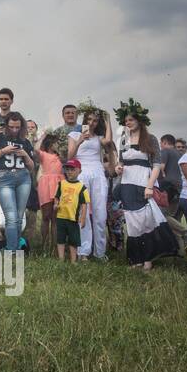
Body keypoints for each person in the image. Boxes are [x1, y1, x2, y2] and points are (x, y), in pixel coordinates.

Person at [114, 107, 178, 270]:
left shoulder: (150, 139)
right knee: (131, 220)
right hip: (126, 182)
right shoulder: (123, 139)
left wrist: (150, 186)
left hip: (143, 181)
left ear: (139, 121)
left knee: (145, 219)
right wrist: (118, 168)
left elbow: (156, 165)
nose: (127, 123)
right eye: (126, 121)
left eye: (131, 120)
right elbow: (120, 161)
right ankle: (136, 260)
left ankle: (148, 258)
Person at [0, 111, 35, 252]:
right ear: (6, 125)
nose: (15, 130)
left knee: (18, 216)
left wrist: (25, 155)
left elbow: (31, 167)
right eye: (11, 127)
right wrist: (3, 151)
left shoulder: (25, 141)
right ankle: (12, 250)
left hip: (23, 178)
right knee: (10, 217)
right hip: (4, 178)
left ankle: (15, 248)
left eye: (18, 127)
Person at [70, 109, 112, 261]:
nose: (91, 123)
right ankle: (83, 252)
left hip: (98, 173)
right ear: (84, 120)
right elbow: (69, 156)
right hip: (82, 172)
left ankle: (100, 253)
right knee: (84, 213)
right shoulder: (74, 135)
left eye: (95, 120)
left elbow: (108, 141)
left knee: (100, 214)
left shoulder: (99, 138)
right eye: (89, 120)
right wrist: (80, 140)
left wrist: (108, 120)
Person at [53, 158, 88, 262]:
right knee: (60, 239)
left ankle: (73, 261)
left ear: (79, 171)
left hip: (73, 218)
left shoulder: (81, 187)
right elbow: (57, 197)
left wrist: (83, 218)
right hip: (61, 217)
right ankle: (61, 259)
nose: (69, 172)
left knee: (73, 241)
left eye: (72, 169)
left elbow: (84, 204)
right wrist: (56, 204)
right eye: (67, 169)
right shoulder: (61, 183)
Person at [37, 133, 64, 254]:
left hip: (59, 184)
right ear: (49, 144)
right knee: (46, 216)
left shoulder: (61, 157)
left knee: (56, 218)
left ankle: (55, 248)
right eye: (55, 143)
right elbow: (35, 149)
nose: (57, 145)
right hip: (46, 184)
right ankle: (44, 245)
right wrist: (43, 136)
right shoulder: (43, 155)